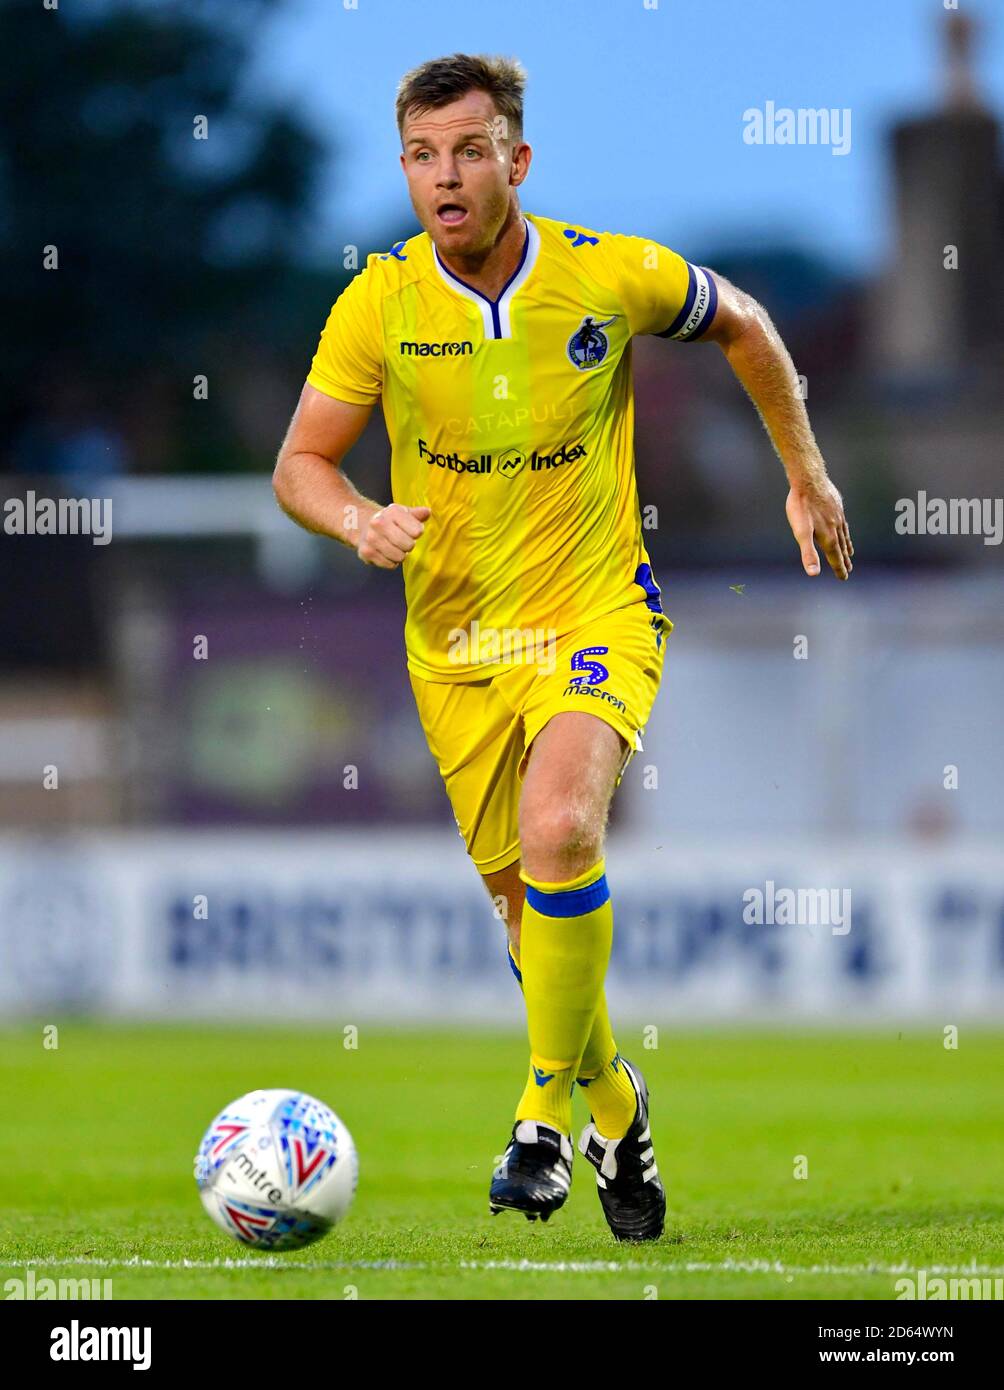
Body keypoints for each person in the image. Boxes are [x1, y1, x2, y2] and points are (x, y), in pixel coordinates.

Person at [272, 52, 853, 1242]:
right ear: (403, 171)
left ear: (514, 161)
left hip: (592, 616)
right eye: (423, 156)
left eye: (469, 150)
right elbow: (299, 465)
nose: (445, 176)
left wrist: (805, 473)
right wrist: (355, 518)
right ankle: (614, 1105)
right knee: (529, 925)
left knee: (561, 829)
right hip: (452, 649)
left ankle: (538, 1119)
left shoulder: (601, 276)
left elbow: (741, 319)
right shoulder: (377, 305)